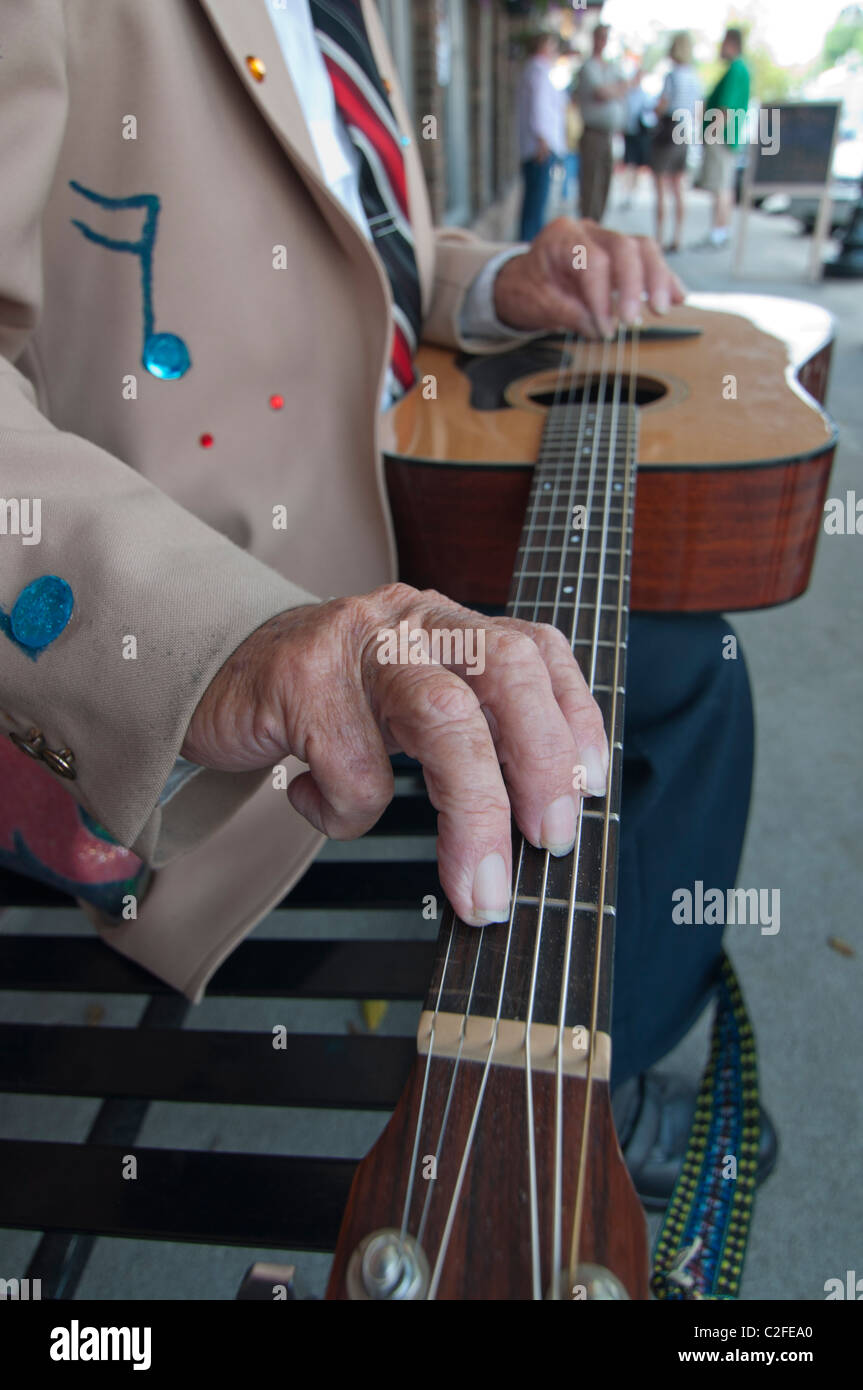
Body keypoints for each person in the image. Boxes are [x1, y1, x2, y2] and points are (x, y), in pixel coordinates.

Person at [0, 0, 771, 1208]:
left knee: (683, 664)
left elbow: (360, 247)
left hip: (391, 519)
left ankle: (594, 1066)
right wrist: (225, 636)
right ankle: (574, 1095)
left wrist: (487, 279)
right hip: (194, 649)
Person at [697, 26, 751, 250]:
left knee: (720, 187)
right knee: (723, 186)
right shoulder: (739, 70)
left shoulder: (736, 70)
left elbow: (725, 108)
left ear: (731, 43)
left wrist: (711, 134)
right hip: (728, 136)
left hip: (723, 137)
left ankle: (719, 232)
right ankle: (720, 230)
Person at [650, 32, 702, 252]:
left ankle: (659, 238)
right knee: (678, 187)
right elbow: (699, 110)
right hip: (685, 131)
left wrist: (652, 109)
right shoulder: (695, 77)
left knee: (661, 185)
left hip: (669, 128)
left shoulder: (672, 76)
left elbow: (662, 104)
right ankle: (677, 236)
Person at [572, 23, 628, 223]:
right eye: (600, 37)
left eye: (606, 38)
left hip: (608, 135)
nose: (603, 42)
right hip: (592, 133)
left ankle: (597, 225)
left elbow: (625, 87)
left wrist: (616, 90)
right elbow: (601, 92)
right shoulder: (588, 68)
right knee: (591, 185)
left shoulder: (611, 67)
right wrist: (615, 90)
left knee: (604, 183)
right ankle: (588, 229)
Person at [517, 32, 567, 241]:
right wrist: (542, 141)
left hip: (537, 146)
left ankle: (529, 251)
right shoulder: (537, 72)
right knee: (535, 206)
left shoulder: (535, 71)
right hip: (539, 148)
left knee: (534, 205)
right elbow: (539, 109)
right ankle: (530, 253)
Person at [620, 67, 655, 211]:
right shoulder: (629, 94)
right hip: (630, 132)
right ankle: (627, 193)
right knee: (629, 164)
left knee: (638, 166)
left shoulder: (645, 95)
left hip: (641, 134)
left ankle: (632, 194)